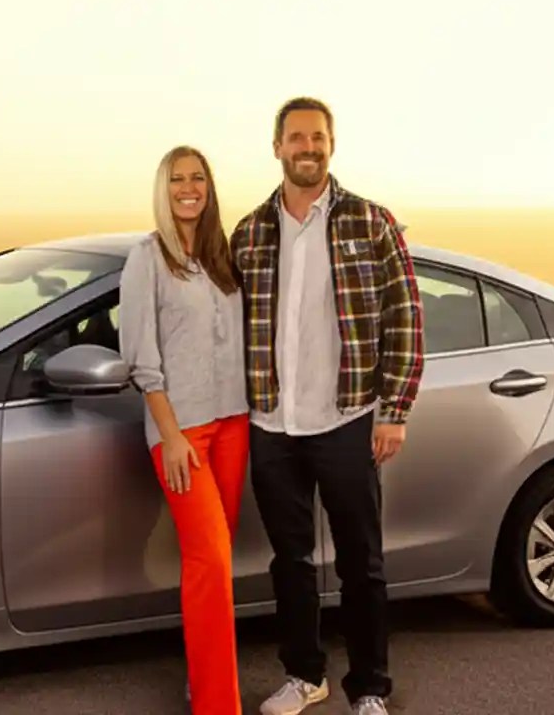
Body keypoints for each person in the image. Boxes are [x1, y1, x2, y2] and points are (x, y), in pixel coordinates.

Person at [229, 98, 425, 715]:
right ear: (277, 147)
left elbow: (406, 317)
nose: (305, 148)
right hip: (272, 424)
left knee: (361, 562)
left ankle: (369, 689)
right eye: (295, 138)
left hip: (346, 419)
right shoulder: (251, 231)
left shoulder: (371, 222)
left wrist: (394, 408)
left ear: (331, 146)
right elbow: (226, 324)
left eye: (316, 137)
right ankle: (303, 675)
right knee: (289, 559)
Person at [119, 145, 250, 715]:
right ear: (162, 187)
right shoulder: (146, 259)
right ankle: (218, 705)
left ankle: (205, 677)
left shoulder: (225, 256)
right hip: (183, 433)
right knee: (211, 560)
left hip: (235, 422)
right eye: (177, 179)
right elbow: (141, 357)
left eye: (198, 178)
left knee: (215, 568)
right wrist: (170, 435)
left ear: (210, 187)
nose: (188, 188)